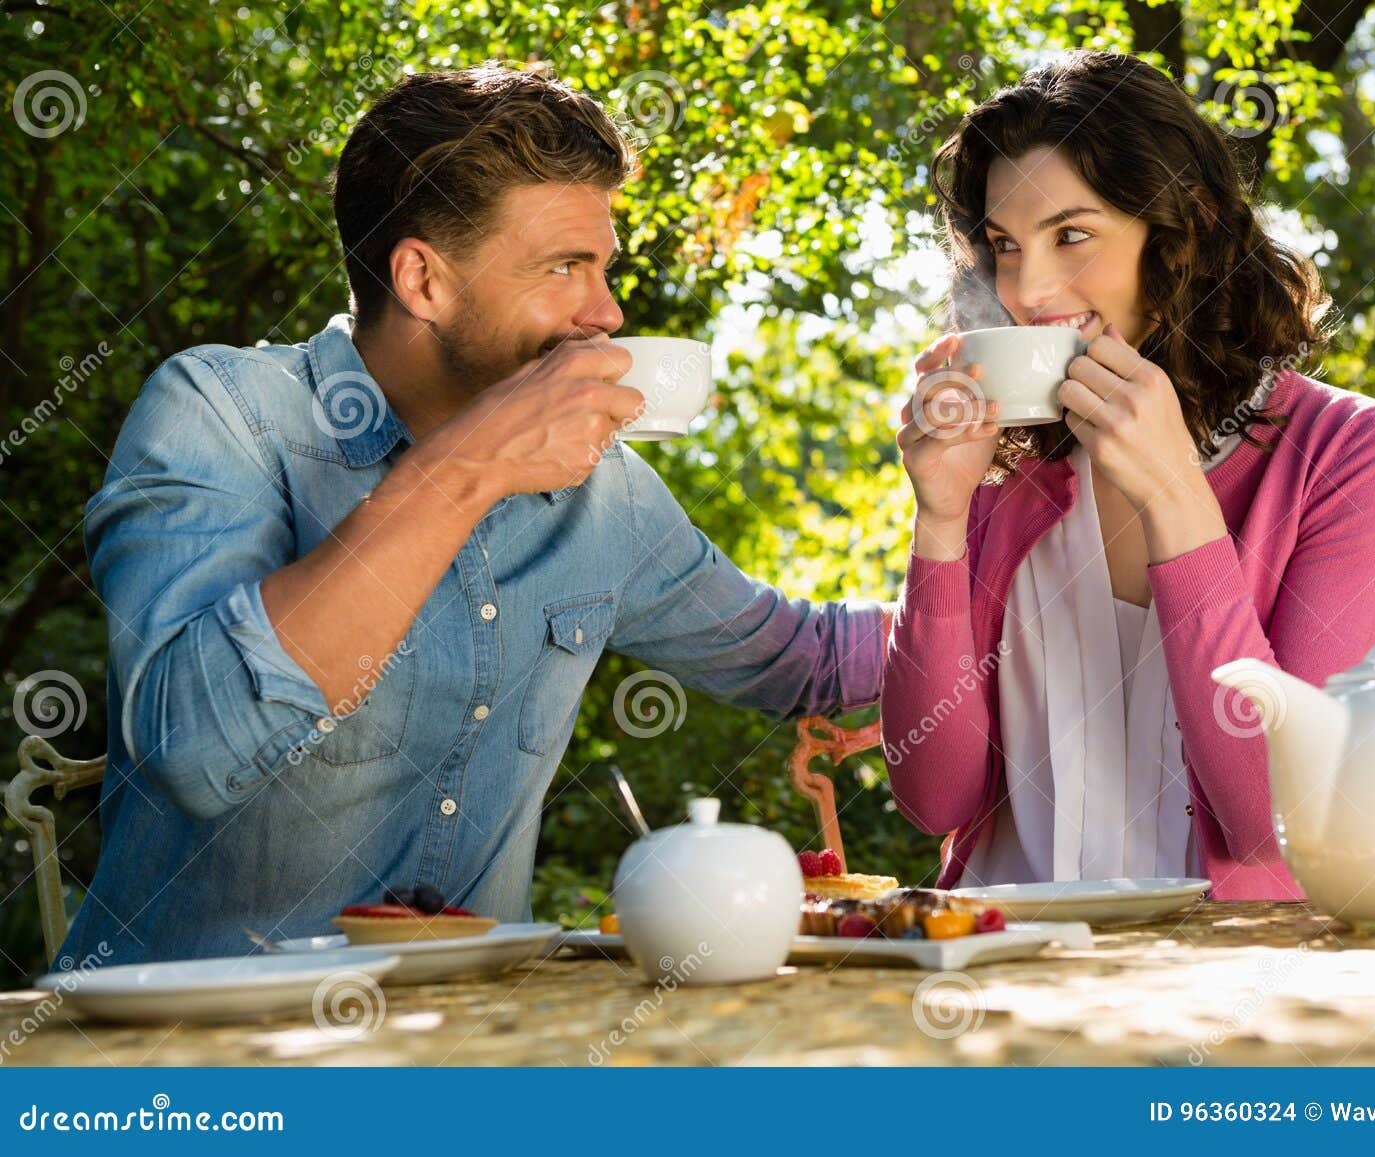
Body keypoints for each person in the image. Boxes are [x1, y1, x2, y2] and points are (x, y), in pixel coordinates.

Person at [56, 63, 885, 965]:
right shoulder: (222, 413)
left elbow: (803, 658)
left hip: (469, 1054)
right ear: (422, 280)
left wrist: (995, 554)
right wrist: (465, 470)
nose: (604, 312)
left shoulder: (603, 492)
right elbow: (195, 749)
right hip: (196, 1064)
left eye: (602, 269)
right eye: (564, 268)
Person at [882, 51, 1375, 899]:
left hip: (1226, 987)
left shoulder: (1354, 453)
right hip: (998, 976)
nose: (1028, 289)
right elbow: (935, 797)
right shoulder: (1006, 467)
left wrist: (1177, 495)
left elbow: (1271, 819)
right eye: (1004, 246)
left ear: (1181, 230)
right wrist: (940, 522)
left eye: (1073, 234)